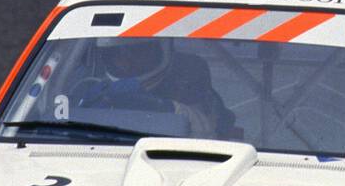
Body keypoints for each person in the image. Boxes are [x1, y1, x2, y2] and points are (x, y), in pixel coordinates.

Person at [74, 37, 237, 139]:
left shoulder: (187, 78)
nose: (127, 61)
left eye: (137, 51)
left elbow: (207, 132)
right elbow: (57, 123)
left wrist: (166, 108)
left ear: (158, 51)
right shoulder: (87, 86)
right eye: (116, 54)